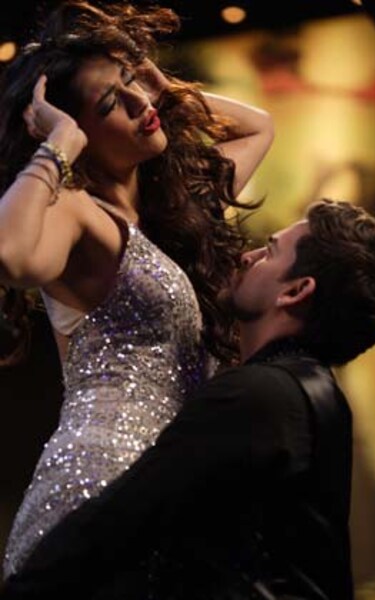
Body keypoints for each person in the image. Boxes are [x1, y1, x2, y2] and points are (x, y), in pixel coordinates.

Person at [1, 198, 375, 600]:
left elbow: (128, 513)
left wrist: (23, 588)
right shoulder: (319, 398)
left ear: (295, 291)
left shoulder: (257, 397)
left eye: (269, 251)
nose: (247, 257)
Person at [0, 0, 275, 579]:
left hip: (170, 487)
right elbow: (11, 253)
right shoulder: (77, 210)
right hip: (100, 483)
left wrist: (160, 88)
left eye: (131, 82)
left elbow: (259, 128)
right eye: (110, 104)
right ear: (80, 132)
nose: (138, 103)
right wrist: (57, 144)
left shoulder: (173, 216)